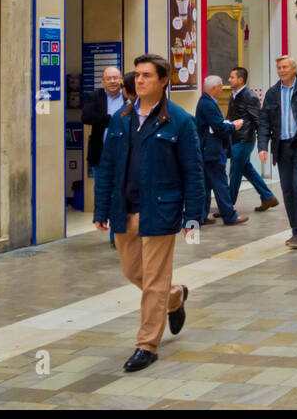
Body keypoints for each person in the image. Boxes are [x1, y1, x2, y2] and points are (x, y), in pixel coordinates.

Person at [94, 54, 205, 372]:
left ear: (163, 81)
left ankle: (147, 345)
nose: (139, 80)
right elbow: (107, 168)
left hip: (160, 210)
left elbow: (193, 172)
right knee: (132, 272)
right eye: (137, 75)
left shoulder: (180, 121)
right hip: (123, 210)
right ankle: (175, 297)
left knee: (154, 280)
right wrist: (102, 208)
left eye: (146, 75)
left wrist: (192, 216)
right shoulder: (121, 120)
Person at [257, 56, 297, 249]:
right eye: (279, 68)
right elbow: (264, 121)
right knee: (288, 189)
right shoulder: (272, 93)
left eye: (285, 67)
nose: (281, 71)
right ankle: (296, 230)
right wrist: (263, 146)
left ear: (294, 68)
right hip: (281, 146)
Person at [196, 76, 249, 227]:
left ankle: (201, 215)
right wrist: (234, 126)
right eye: (220, 87)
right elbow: (219, 127)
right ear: (213, 89)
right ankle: (229, 216)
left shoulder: (206, 102)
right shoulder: (208, 104)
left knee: (205, 185)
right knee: (220, 184)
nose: (222, 89)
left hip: (207, 150)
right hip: (212, 151)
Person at [226, 66, 278, 212]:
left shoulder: (250, 96)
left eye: (232, 77)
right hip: (235, 139)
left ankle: (228, 206)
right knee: (246, 169)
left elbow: (258, 120)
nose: (229, 80)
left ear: (240, 80)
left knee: (235, 172)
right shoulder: (234, 94)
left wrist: (262, 142)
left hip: (244, 140)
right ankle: (268, 197)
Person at [82, 65, 126, 198]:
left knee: (122, 190)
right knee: (101, 192)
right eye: (108, 78)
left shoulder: (128, 97)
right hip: (101, 154)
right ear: (103, 81)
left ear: (121, 80)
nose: (112, 81)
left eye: (115, 78)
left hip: (124, 153)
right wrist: (113, 119)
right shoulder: (94, 96)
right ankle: (101, 218)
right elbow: (87, 117)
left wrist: (103, 119)